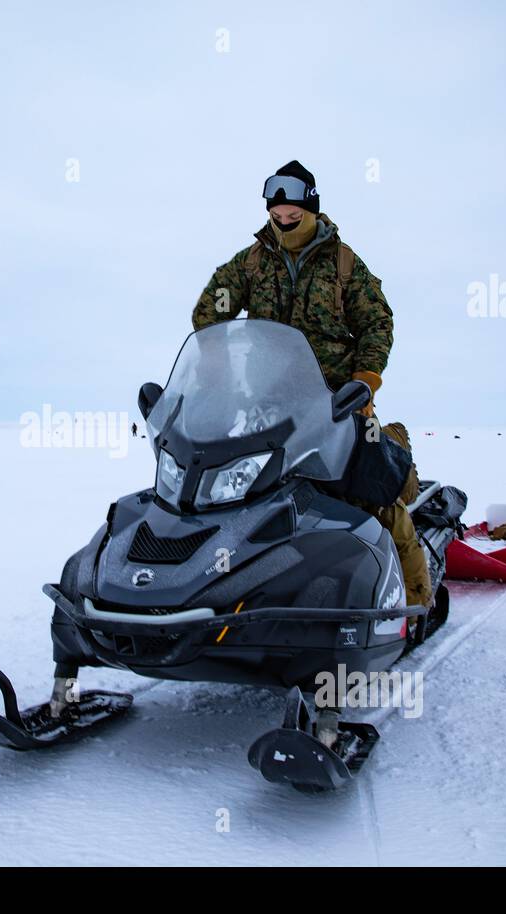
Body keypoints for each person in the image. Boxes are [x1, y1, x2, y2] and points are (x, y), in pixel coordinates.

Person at [191, 160, 431, 625]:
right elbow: (208, 312)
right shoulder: (252, 262)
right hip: (269, 409)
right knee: (248, 500)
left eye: (292, 209)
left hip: (338, 405)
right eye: (275, 209)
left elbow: (377, 322)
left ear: (311, 206)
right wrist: (220, 368)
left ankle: (414, 602)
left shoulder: (343, 262)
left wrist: (366, 379)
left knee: (372, 497)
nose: (283, 217)